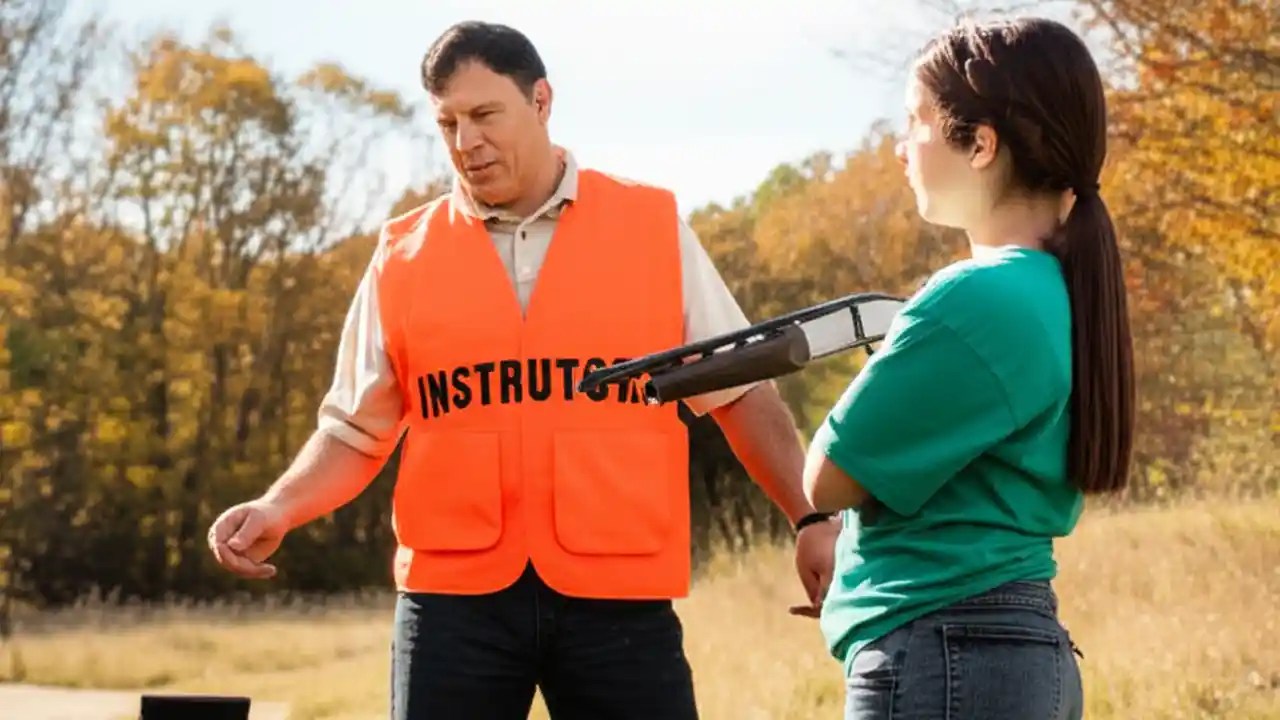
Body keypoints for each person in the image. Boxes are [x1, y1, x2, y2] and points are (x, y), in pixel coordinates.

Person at [206, 20, 840, 720]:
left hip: (618, 597)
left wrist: (808, 517)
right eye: (446, 122)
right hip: (454, 605)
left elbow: (739, 390)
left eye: (484, 115)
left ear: (541, 101)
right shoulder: (402, 255)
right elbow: (355, 430)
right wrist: (277, 506)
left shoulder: (650, 226)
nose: (464, 142)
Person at [799, 17, 1135, 720]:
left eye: (915, 122)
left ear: (980, 143)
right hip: (1010, 651)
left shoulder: (976, 295)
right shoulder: (1063, 292)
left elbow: (826, 476)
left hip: (944, 650)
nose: (900, 148)